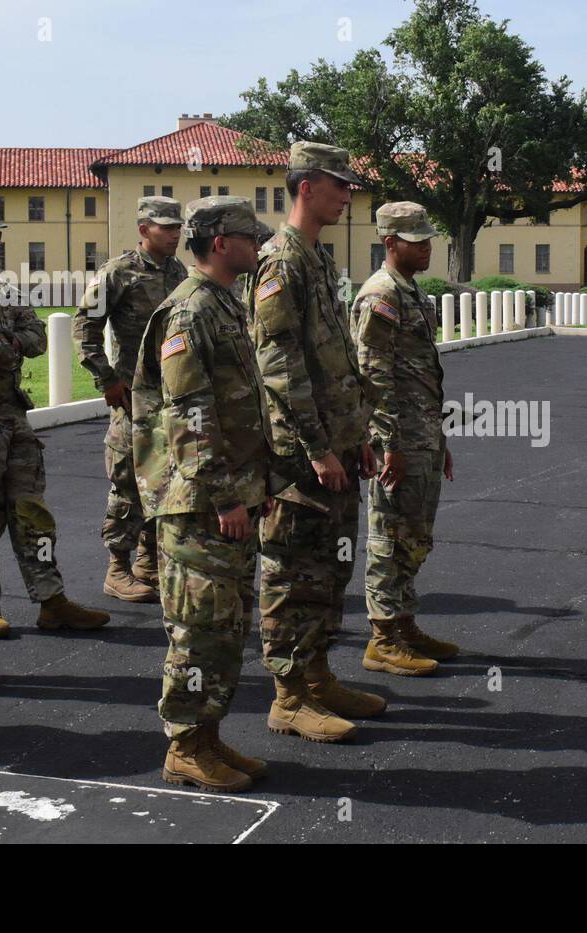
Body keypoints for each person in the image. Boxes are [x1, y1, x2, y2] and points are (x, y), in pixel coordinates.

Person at [132, 196, 278, 792]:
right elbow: (189, 414)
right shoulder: (190, 312)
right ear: (220, 242)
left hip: (227, 492)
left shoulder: (223, 303)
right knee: (197, 629)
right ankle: (186, 747)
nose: (259, 246)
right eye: (250, 237)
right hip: (196, 503)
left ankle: (209, 736)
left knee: (224, 625)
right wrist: (223, 497)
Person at [247, 141, 381, 743]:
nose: (349, 194)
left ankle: (319, 675)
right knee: (291, 574)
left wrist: (357, 437)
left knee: (330, 569)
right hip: (301, 457)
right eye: (340, 184)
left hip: (336, 445)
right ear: (307, 186)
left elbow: (340, 359)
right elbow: (280, 366)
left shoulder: (318, 259)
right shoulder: (280, 262)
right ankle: (288, 695)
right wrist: (318, 449)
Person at [0, 207, 109, 637]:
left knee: (33, 513)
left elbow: (36, 339)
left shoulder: (4, 290)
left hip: (15, 418)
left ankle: (51, 599)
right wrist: (2, 344)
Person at [352, 202, 457, 675]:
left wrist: (440, 438)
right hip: (396, 440)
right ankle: (382, 638)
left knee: (415, 536)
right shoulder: (381, 296)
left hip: (422, 435)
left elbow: (419, 374)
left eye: (428, 238)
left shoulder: (411, 293)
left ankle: (405, 623)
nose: (427, 247)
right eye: (416, 240)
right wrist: (386, 442)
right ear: (390, 242)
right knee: (389, 537)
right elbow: (373, 376)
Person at [74, 196, 187, 602]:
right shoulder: (117, 273)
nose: (175, 233)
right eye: (166, 227)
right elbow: (85, 327)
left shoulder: (179, 271)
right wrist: (106, 379)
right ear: (144, 229)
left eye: (178, 227)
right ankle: (117, 568)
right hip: (131, 397)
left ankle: (148, 562)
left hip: (170, 397)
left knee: (165, 477)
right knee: (127, 479)